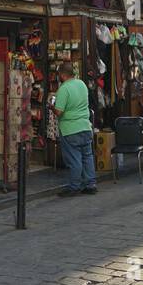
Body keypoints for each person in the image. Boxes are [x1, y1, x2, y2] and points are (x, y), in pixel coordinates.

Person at [53, 61, 96, 197]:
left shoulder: (64, 89)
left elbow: (59, 111)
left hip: (70, 129)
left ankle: (74, 186)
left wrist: (51, 107)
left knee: (74, 159)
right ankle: (90, 184)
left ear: (62, 75)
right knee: (87, 156)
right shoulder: (82, 84)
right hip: (85, 125)